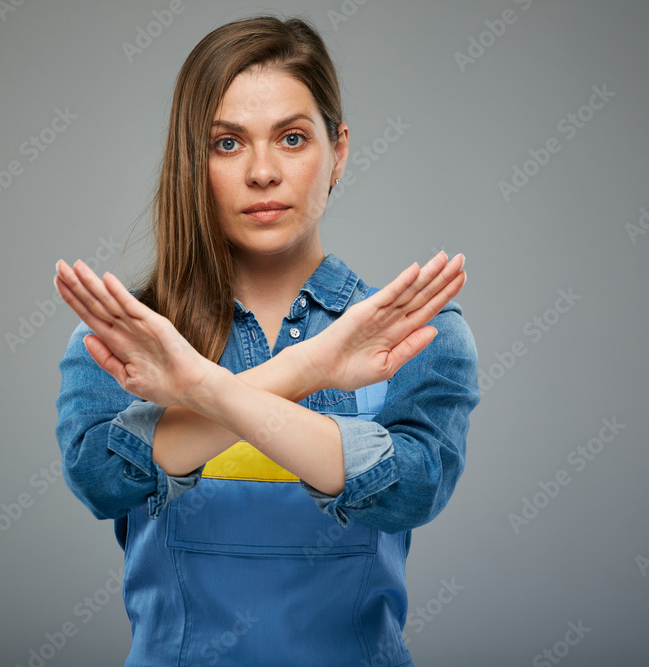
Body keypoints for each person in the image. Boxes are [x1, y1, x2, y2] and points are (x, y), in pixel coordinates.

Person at [54, 15, 479, 666]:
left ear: (338, 150)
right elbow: (102, 480)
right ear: (192, 160)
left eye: (291, 138)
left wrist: (198, 390)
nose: (262, 172)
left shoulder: (418, 335)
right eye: (227, 143)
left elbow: (412, 492)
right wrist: (313, 366)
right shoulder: (123, 338)